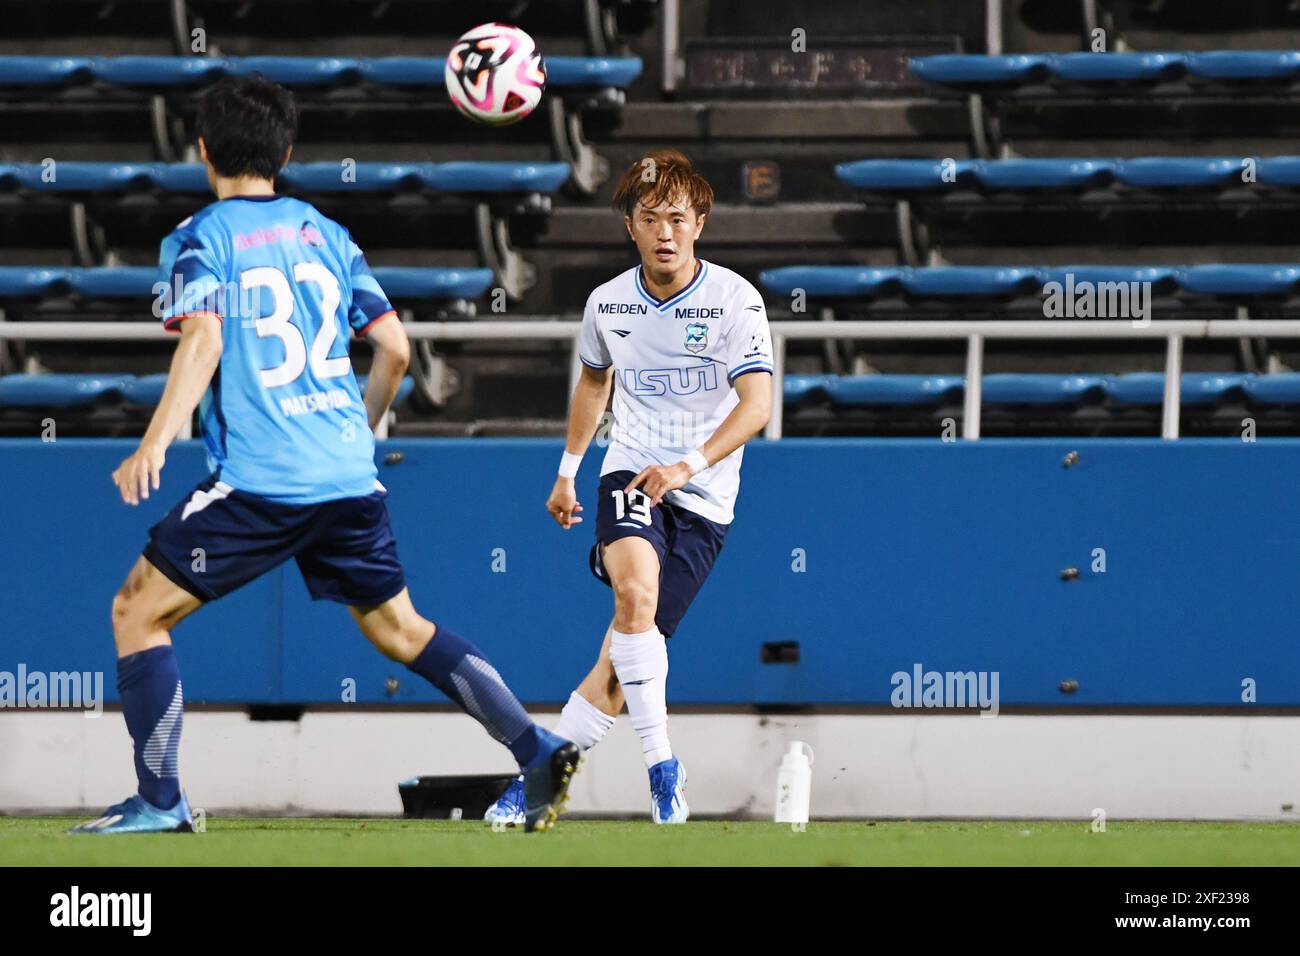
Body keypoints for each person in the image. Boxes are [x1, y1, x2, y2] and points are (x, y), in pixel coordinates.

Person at [71, 75, 577, 835]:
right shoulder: (326, 233)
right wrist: (355, 435)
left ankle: (162, 800)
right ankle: (535, 746)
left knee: (136, 612)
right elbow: (397, 352)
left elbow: (204, 336)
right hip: (347, 475)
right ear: (288, 151)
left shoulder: (199, 238)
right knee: (398, 629)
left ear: (202, 149)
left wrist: (155, 439)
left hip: (262, 482)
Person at [486, 148, 772, 825]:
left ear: (700, 223)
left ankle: (536, 783)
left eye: (677, 218)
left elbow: (756, 405)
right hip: (632, 468)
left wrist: (689, 466)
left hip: (706, 497)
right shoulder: (609, 303)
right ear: (631, 227)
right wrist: (568, 471)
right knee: (634, 594)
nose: (665, 232)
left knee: (623, 658)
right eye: (650, 218)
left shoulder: (736, 299)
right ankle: (663, 770)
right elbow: (594, 381)